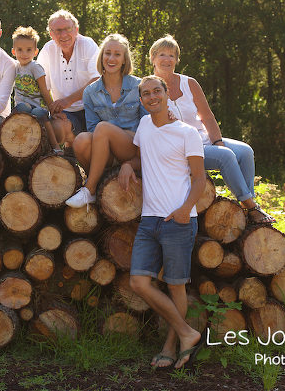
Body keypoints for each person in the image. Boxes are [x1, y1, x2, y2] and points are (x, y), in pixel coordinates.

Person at [120, 75, 206, 370]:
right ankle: (187, 333)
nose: (152, 97)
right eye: (146, 94)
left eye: (157, 91)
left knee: (175, 287)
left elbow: (200, 179)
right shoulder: (143, 126)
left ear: (167, 94)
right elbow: (142, 158)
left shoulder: (187, 133)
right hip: (149, 219)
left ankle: (171, 346)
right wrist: (125, 165)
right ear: (141, 100)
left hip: (178, 221)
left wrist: (185, 210)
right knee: (139, 282)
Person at [150, 35, 274, 224]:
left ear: (177, 59)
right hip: (181, 148)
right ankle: (251, 207)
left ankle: (248, 205)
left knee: (245, 151)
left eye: (171, 55)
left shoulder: (189, 83)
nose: (167, 59)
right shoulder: (149, 87)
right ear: (152, 58)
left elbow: (207, 116)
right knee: (225, 156)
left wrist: (217, 142)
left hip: (203, 138)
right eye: (162, 55)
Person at [65, 34, 147, 208]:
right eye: (107, 53)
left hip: (132, 146)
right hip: (107, 150)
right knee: (80, 140)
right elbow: (93, 128)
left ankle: (90, 189)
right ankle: (102, 180)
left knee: (103, 128)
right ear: (101, 57)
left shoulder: (138, 86)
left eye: (117, 54)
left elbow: (149, 123)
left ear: (124, 59)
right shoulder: (90, 92)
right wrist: (107, 139)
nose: (111, 58)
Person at [36, 10, 100, 148]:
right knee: (57, 128)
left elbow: (97, 80)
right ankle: (69, 149)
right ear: (51, 34)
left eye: (68, 29)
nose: (64, 35)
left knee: (94, 141)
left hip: (92, 109)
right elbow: (42, 86)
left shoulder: (88, 44)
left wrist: (68, 100)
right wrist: (53, 109)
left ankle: (74, 148)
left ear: (76, 30)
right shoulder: (47, 50)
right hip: (65, 112)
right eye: (58, 31)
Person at [10, 26, 63, 154]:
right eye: (20, 50)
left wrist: (52, 109)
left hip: (38, 106)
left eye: (29, 50)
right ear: (13, 51)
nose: (24, 54)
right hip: (23, 106)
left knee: (40, 114)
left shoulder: (35, 67)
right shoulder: (15, 67)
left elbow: (45, 91)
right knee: (22, 108)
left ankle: (55, 146)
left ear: (35, 52)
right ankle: (5, 136)